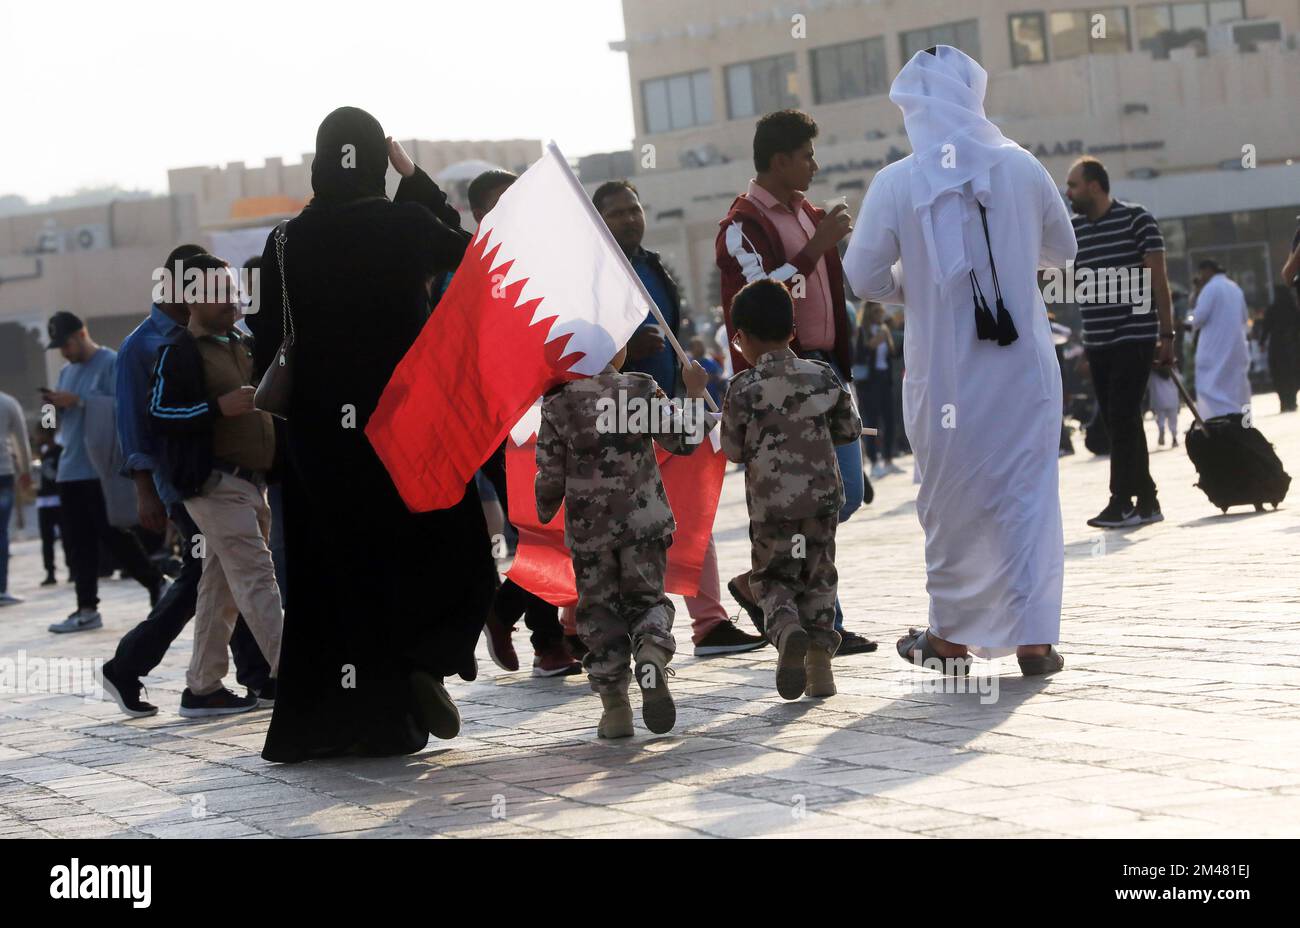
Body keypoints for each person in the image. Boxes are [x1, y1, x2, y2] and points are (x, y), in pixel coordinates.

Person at [249, 108, 496, 762]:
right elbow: (479, 261)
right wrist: (415, 181)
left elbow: (264, 346)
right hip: (405, 427)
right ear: (377, 162)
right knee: (449, 546)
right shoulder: (407, 224)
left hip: (320, 441)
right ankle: (423, 659)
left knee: (339, 574)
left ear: (322, 160)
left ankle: (331, 724)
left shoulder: (282, 244)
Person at [844, 45, 1075, 677]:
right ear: (975, 95)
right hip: (1023, 365)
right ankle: (1034, 640)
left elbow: (861, 277)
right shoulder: (1022, 166)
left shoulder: (896, 181)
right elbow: (1064, 247)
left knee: (950, 497)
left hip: (943, 374)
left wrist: (911, 284)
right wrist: (1011, 259)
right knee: (1027, 494)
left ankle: (949, 638)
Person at [714, 110, 876, 656]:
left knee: (843, 494)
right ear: (779, 160)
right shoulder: (741, 225)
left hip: (823, 374)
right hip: (777, 387)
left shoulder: (808, 213)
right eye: (806, 155)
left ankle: (766, 589)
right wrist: (815, 247)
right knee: (815, 499)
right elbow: (758, 294)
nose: (815, 164)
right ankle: (819, 622)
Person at [594, 179, 767, 656]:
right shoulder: (591, 275)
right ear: (597, 221)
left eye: (634, 208)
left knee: (694, 511)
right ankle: (575, 628)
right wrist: (624, 356)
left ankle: (709, 624)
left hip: (670, 409)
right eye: (616, 213)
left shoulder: (653, 267)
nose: (630, 218)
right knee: (608, 529)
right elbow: (576, 350)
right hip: (615, 418)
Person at [101, 244, 272, 718]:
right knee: (226, 572)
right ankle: (255, 675)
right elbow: (137, 425)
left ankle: (205, 684)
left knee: (215, 576)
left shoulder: (219, 336)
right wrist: (146, 490)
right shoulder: (145, 345)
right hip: (183, 479)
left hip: (221, 475)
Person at [535, 344, 712, 738]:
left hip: (589, 531)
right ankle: (650, 652)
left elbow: (549, 471)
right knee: (647, 600)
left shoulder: (559, 404)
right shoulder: (641, 388)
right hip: (644, 523)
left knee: (598, 613)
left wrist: (545, 507)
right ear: (619, 353)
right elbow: (683, 439)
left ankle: (615, 707)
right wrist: (696, 393)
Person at [148, 253, 283, 718]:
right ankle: (296, 676)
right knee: (257, 577)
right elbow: (160, 416)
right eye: (218, 292)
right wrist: (215, 408)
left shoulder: (243, 343)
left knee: (221, 586)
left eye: (232, 290)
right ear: (191, 299)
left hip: (253, 484)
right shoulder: (178, 353)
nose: (231, 300)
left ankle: (202, 688)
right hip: (215, 485)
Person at [466, 169, 582, 678]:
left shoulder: (551, 261)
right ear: (479, 216)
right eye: (500, 204)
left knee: (565, 524)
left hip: (562, 410)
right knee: (539, 526)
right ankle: (547, 639)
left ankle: (508, 608)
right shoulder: (469, 272)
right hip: (503, 421)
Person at [722, 279, 862, 700]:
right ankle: (820, 669)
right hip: (820, 502)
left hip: (772, 506)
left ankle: (786, 633)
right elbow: (849, 429)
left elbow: (731, 449)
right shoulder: (821, 376)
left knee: (773, 578)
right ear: (792, 329)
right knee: (818, 575)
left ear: (742, 338)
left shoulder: (743, 388)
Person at [1065, 156, 1175, 529]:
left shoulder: (1136, 218)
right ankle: (1147, 500)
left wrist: (1167, 335)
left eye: (1073, 185)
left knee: (1123, 415)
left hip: (1135, 334)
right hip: (1098, 341)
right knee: (1119, 422)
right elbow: (1071, 284)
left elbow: (1159, 280)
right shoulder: (1074, 230)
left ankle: (1121, 501)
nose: (1068, 193)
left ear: (1094, 186)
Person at [43, 312, 166, 634]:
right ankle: (86, 608)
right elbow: (49, 427)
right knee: (77, 542)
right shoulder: (66, 372)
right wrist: (51, 408)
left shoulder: (112, 361)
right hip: (70, 469)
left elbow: (122, 408)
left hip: (99, 468)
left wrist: (81, 402)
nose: (64, 352)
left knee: (113, 535)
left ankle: (155, 581)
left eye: (66, 343)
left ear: (82, 333)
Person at [1189, 260, 1251, 419]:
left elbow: (1197, 318)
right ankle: (1243, 425)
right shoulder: (1235, 287)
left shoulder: (1210, 289)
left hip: (1214, 351)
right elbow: (1245, 317)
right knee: (1237, 390)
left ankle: (1221, 427)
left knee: (1212, 390)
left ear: (1208, 270)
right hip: (1236, 349)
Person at [853, 302, 901, 478]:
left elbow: (893, 354)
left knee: (889, 419)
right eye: (877, 311)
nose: (880, 314)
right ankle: (874, 462)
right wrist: (871, 345)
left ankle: (888, 459)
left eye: (881, 311)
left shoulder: (883, 329)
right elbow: (856, 355)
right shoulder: (862, 331)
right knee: (871, 421)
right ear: (869, 313)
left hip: (884, 379)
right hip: (868, 382)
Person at [0, 390, 34, 606]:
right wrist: (25, 471)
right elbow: (21, 440)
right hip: (3, 473)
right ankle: (0, 589)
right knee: (0, 532)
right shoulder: (8, 402)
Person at [34, 428, 68, 586]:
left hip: (58, 500)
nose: (37, 438)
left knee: (67, 537)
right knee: (47, 540)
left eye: (39, 434)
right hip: (43, 501)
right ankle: (50, 571)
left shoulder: (60, 452)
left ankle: (73, 568)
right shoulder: (42, 454)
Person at [1258, 283, 1298, 413]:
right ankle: (1291, 401)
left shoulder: (1273, 309)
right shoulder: (1293, 309)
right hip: (1292, 346)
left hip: (1277, 347)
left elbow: (1266, 327)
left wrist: (1262, 342)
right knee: (1292, 374)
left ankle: (1284, 402)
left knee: (1279, 375)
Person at [1147, 368, 1180, 447]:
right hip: (1172, 399)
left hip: (1158, 399)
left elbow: (1148, 384)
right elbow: (1180, 381)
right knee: (1173, 420)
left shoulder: (1153, 372)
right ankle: (1174, 438)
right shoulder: (1173, 369)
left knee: (1160, 418)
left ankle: (1161, 429)